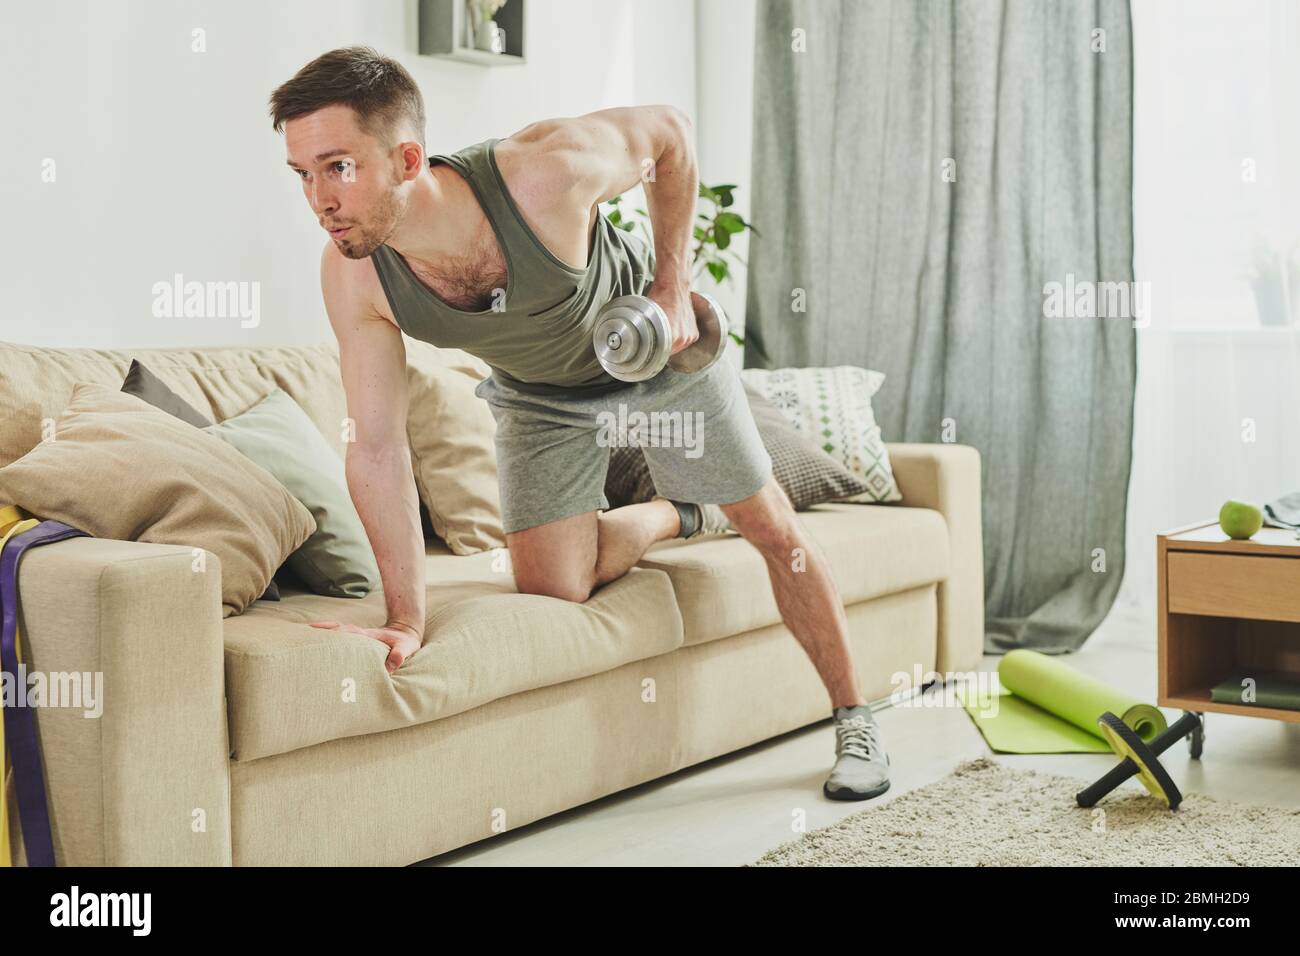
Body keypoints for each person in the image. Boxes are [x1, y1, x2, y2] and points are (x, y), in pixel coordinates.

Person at [269, 46, 889, 800]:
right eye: (303, 175)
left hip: (652, 349)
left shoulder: (542, 173)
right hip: (539, 395)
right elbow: (375, 445)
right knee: (556, 584)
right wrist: (405, 619)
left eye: (339, 167)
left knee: (772, 531)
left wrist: (670, 284)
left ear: (405, 158)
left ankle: (856, 719)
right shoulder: (355, 275)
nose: (319, 199)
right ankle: (679, 513)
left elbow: (671, 134)